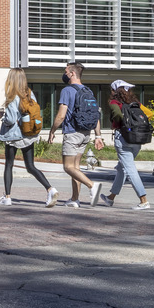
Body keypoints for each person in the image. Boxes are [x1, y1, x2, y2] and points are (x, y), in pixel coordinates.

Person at [0, 68, 57, 207]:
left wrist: (2, 116)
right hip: (29, 134)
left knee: (9, 165)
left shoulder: (13, 96)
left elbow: (11, 120)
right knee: (30, 166)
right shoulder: (30, 94)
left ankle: (7, 197)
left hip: (13, 136)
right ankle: (50, 189)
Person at [48, 62, 104, 207]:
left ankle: (92, 186)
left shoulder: (67, 90)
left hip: (72, 133)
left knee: (68, 167)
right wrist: (98, 136)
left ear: (72, 73)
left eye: (66, 71)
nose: (64, 73)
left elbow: (61, 115)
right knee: (76, 167)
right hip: (85, 133)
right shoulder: (88, 91)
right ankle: (74, 199)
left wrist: (52, 131)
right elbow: (95, 115)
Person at [103, 80, 150, 210]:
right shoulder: (136, 103)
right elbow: (149, 114)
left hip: (123, 138)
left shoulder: (114, 102)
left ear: (115, 91)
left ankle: (143, 200)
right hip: (137, 139)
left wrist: (119, 124)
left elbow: (117, 114)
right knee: (122, 168)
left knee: (130, 170)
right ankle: (110, 198)